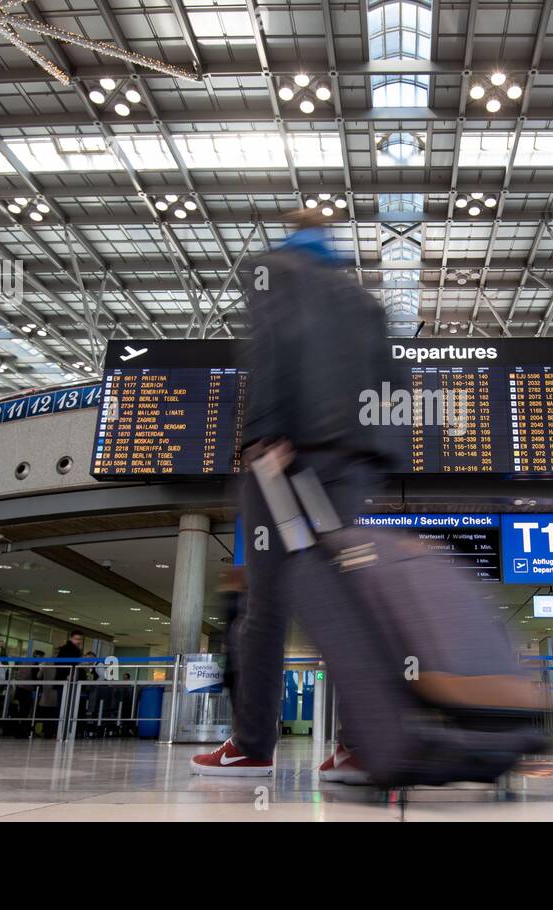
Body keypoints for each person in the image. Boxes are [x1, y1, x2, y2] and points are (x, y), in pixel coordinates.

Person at [191, 207, 397, 780]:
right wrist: (374, 456)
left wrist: (264, 435)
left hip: (288, 458)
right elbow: (394, 382)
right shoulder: (365, 301)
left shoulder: (272, 269)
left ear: (289, 232)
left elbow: (272, 348)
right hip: (350, 464)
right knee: (346, 605)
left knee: (265, 606)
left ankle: (252, 746)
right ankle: (357, 749)